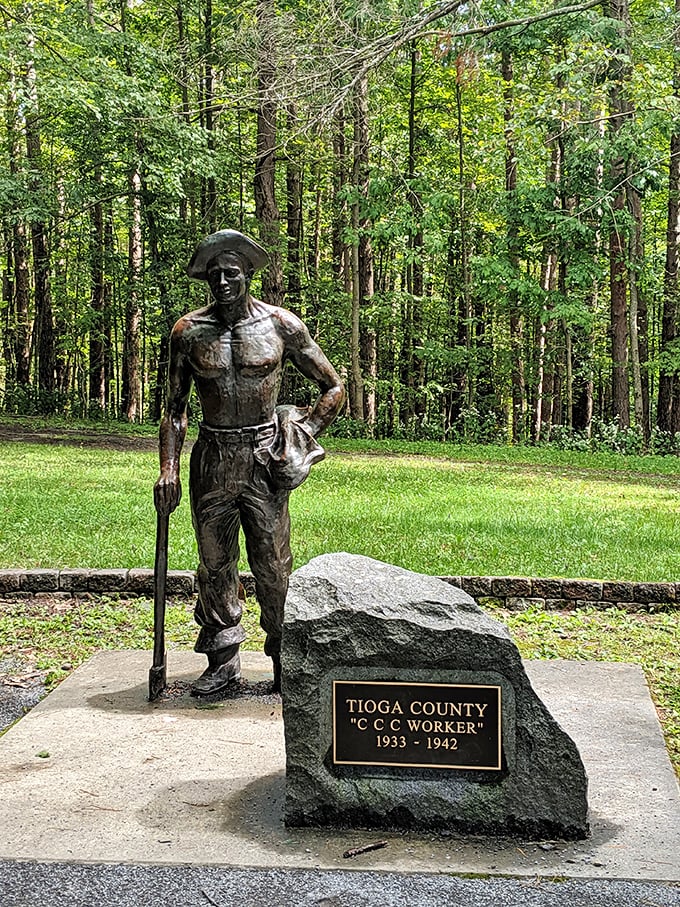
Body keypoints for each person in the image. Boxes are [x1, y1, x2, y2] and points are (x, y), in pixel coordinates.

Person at [153, 230, 345, 695]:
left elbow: (333, 388)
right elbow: (174, 408)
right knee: (214, 561)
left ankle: (283, 656)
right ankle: (222, 659)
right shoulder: (189, 332)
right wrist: (169, 468)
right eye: (213, 275)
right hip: (212, 457)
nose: (221, 283)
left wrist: (302, 434)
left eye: (231, 274)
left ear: (248, 275)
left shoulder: (282, 326)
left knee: (273, 566)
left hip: (262, 457)